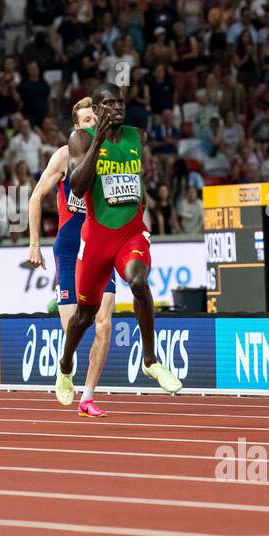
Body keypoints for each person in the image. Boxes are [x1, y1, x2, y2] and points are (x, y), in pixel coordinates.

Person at [55, 84, 183, 400]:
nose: (117, 108)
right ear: (97, 110)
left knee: (139, 281)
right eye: (108, 103)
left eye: (120, 102)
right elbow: (77, 188)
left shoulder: (136, 136)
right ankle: (66, 365)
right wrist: (97, 140)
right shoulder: (81, 139)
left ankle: (151, 361)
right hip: (96, 238)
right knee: (84, 315)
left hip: (131, 233)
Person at [28, 97, 116, 416]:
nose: (93, 124)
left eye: (97, 119)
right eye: (87, 121)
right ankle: (65, 371)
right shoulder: (64, 156)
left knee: (104, 325)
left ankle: (88, 396)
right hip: (69, 246)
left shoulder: (113, 156)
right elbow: (37, 197)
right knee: (76, 328)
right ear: (77, 128)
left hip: (102, 245)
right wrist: (34, 244)